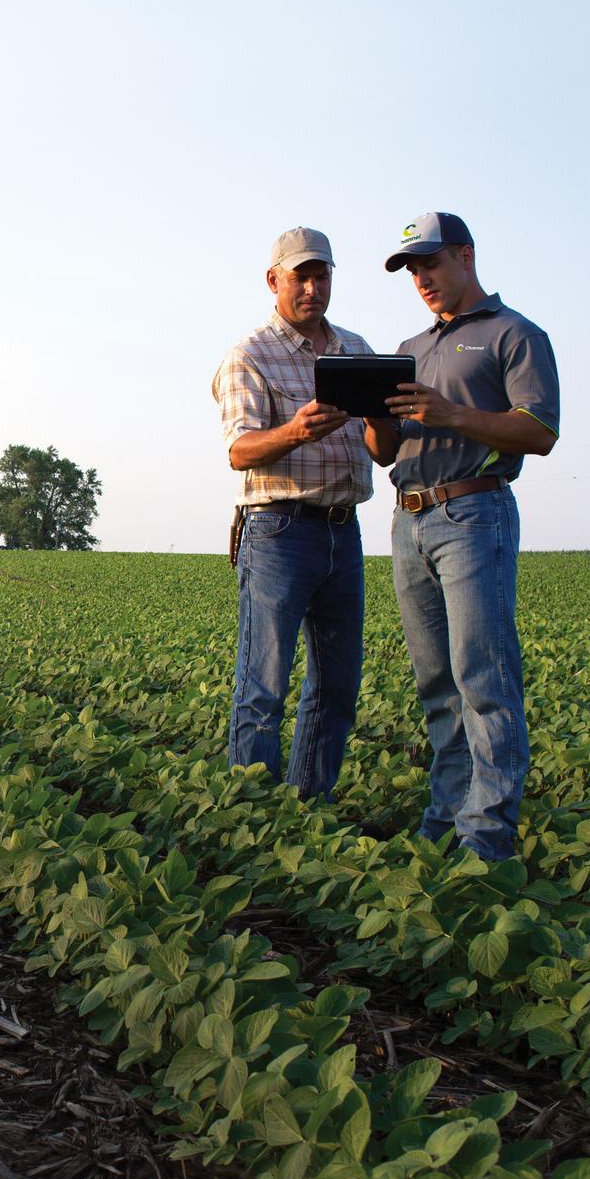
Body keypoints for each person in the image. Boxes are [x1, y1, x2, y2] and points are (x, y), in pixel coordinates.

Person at [364, 212, 559, 859]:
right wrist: (371, 415)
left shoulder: (515, 334)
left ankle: (487, 837)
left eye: (431, 263)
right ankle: (445, 822)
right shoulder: (409, 349)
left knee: (483, 679)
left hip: (473, 514)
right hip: (407, 519)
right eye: (411, 270)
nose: (421, 278)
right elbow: (384, 451)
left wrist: (451, 414)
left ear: (466, 256)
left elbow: (540, 431)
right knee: (437, 689)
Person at [212, 226, 374, 797]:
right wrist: (296, 431)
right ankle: (255, 812)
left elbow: (382, 445)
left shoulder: (356, 351)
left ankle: (309, 806)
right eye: (300, 277)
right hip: (278, 529)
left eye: (320, 275)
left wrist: (385, 418)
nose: (312, 288)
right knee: (263, 686)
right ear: (273, 280)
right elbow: (239, 450)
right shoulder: (250, 355)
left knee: (336, 687)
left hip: (343, 530)